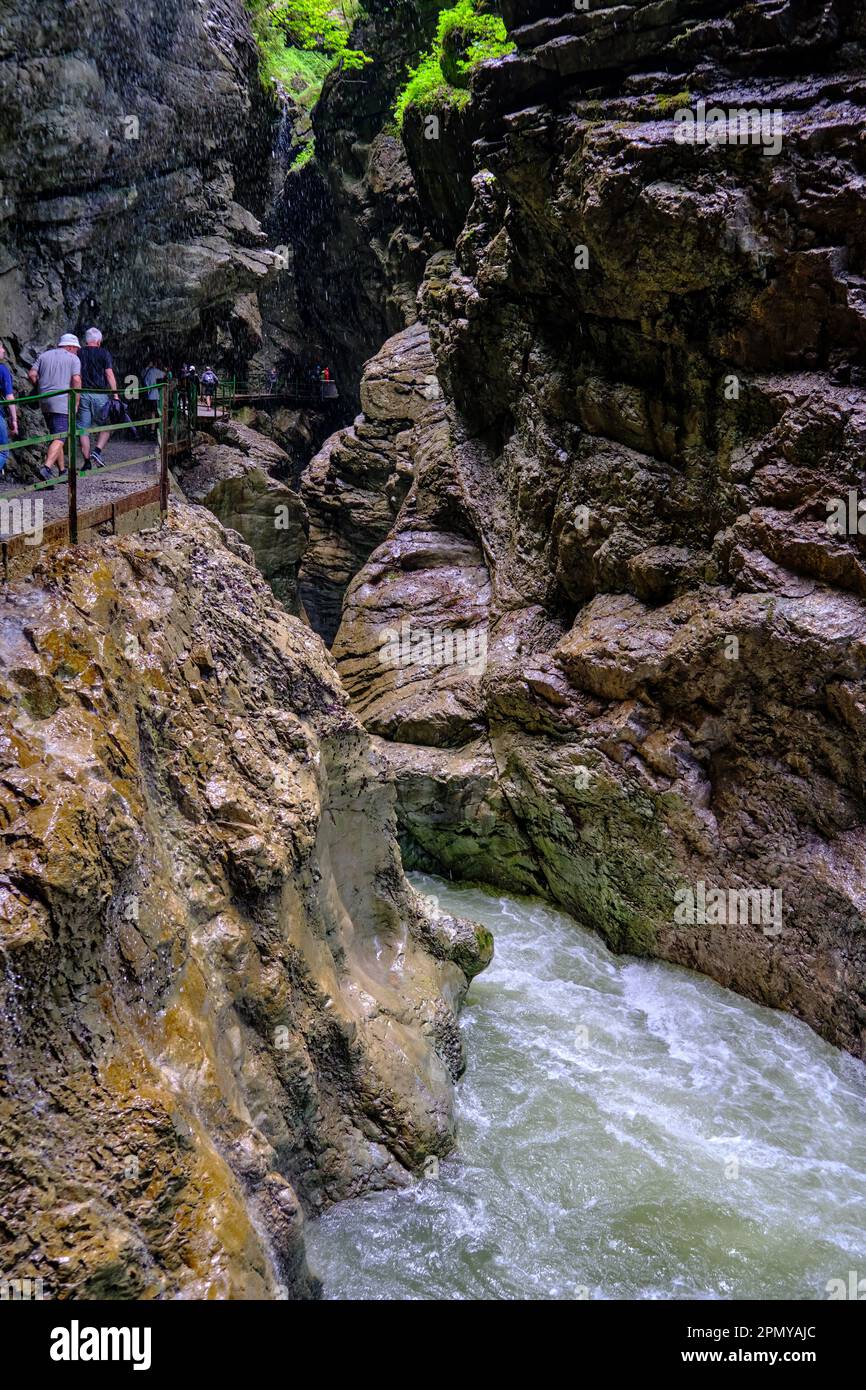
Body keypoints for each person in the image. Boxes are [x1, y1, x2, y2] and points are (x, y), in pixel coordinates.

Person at [27, 333, 82, 482]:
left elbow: (31, 374)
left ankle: (63, 471)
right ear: (70, 346)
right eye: (76, 348)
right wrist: (76, 402)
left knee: (55, 435)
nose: (77, 351)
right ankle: (46, 468)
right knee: (61, 436)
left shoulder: (44, 356)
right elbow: (76, 380)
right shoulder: (73, 359)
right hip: (62, 402)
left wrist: (41, 387)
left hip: (44, 401)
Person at [77, 327, 119, 471]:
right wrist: (115, 394)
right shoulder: (103, 353)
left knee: (83, 428)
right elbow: (109, 374)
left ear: (86, 340)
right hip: (100, 394)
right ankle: (97, 451)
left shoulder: (79, 352)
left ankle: (87, 461)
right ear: (99, 341)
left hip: (82, 393)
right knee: (108, 424)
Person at [0, 343, 19, 478]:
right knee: (2, 451)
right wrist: (14, 419)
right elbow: (9, 396)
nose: (4, 350)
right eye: (1, 347)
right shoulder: (2, 370)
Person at [142, 356, 166, 439]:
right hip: (153, 395)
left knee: (146, 412)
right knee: (153, 413)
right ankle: (152, 431)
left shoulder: (144, 371)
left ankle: (144, 428)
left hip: (145, 395)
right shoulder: (154, 371)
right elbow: (164, 375)